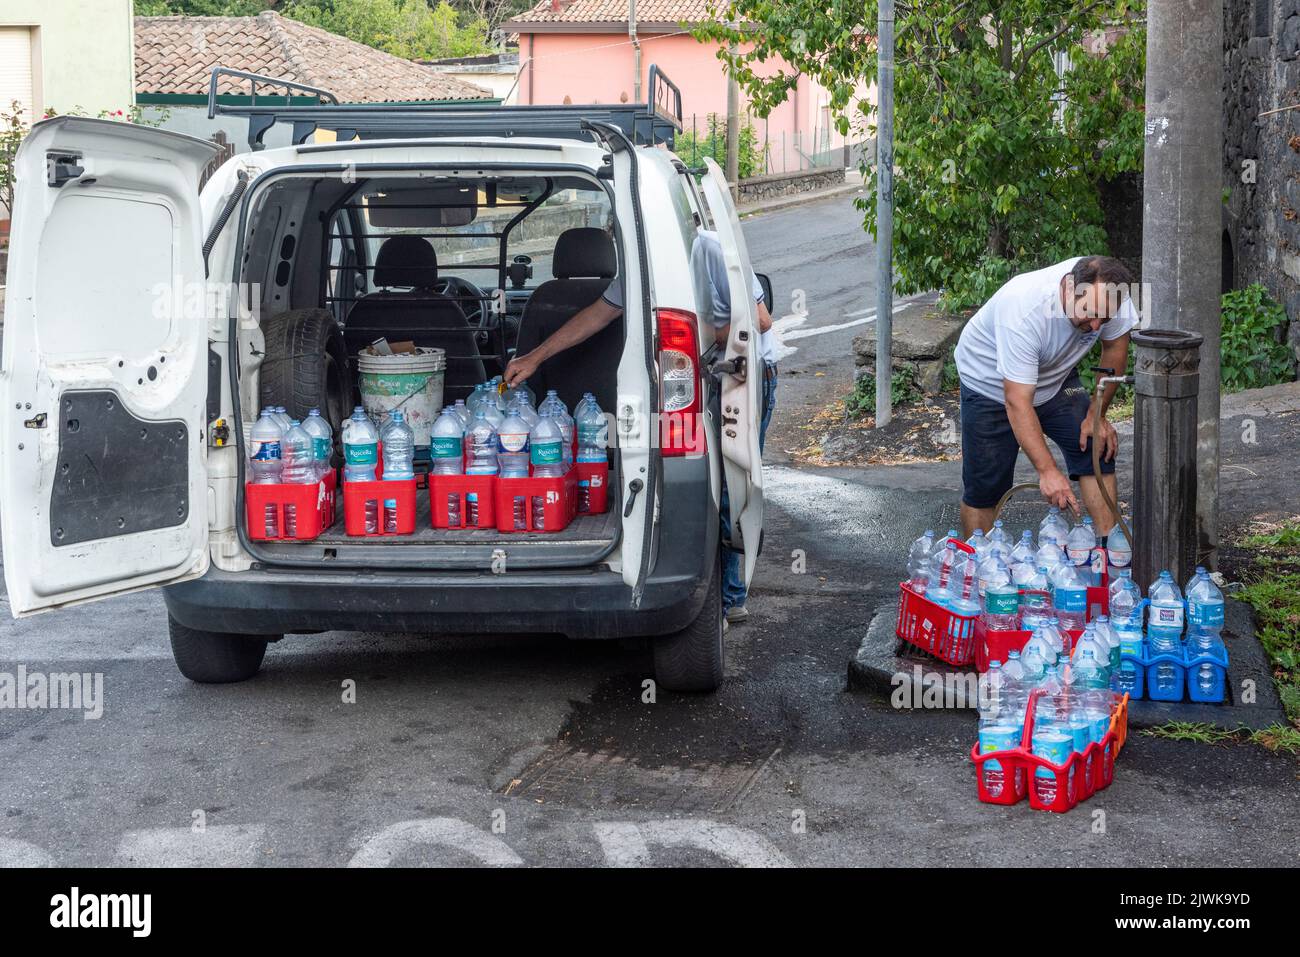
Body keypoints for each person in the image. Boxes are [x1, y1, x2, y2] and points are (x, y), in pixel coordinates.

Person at [504, 229, 776, 625]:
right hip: (708, 371)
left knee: (734, 483)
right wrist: (536, 356)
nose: (621, 238)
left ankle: (730, 599)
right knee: (715, 486)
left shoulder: (712, 249)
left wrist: (685, 330)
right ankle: (719, 592)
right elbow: (598, 314)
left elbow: (760, 320)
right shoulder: (640, 260)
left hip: (745, 376)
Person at [953, 255, 1137, 540]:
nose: (1097, 324)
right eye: (1089, 312)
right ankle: (980, 566)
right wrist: (1047, 471)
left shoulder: (1112, 293)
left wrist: (1096, 415)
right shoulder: (1024, 309)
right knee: (986, 486)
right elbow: (1017, 400)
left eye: (1105, 317)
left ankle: (1110, 553)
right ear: (1067, 289)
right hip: (988, 383)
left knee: (1094, 445)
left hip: (1054, 377)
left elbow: (1114, 349)